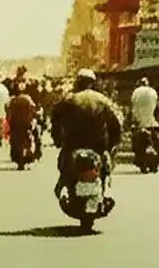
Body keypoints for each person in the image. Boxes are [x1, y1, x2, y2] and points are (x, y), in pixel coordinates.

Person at [51, 69, 123, 197]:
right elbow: (116, 122)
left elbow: (55, 119)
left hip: (74, 143)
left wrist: (57, 139)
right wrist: (113, 142)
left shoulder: (70, 99)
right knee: (106, 165)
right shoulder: (102, 99)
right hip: (98, 145)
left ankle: (62, 182)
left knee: (64, 163)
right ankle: (105, 185)